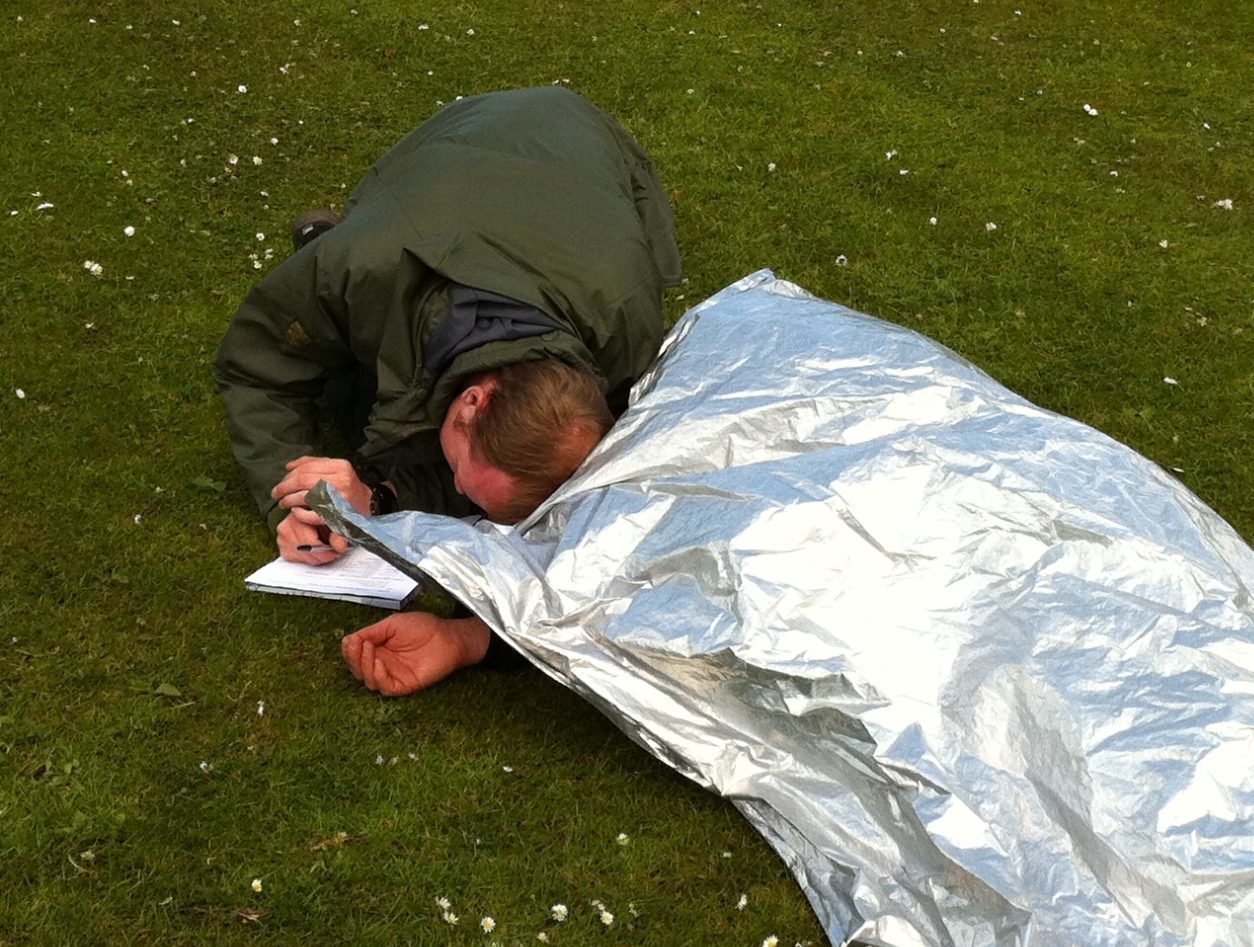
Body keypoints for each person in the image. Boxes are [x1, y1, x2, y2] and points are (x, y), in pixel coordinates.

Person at [214, 87, 681, 693]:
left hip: (583, 167)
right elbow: (257, 367)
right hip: (458, 152)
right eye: (461, 475)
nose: (455, 493)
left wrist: (378, 498)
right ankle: (320, 256)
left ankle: (322, 285)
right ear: (473, 400)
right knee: (359, 380)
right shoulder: (367, 265)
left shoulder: (628, 338)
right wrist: (292, 497)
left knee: (382, 399)